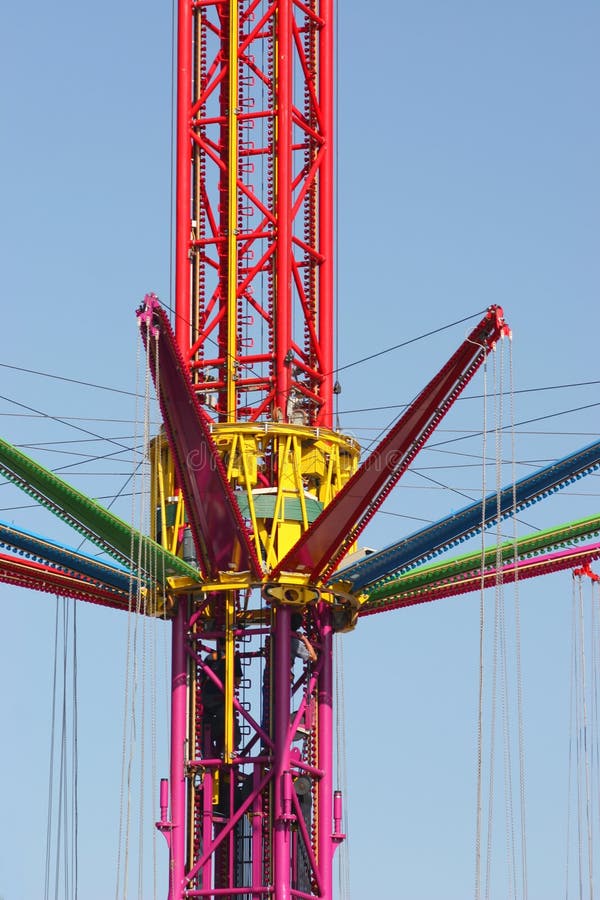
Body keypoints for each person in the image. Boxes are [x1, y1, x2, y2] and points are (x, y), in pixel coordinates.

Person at [201, 638, 242, 757]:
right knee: (231, 727)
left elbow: (202, 678)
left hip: (207, 698)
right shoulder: (234, 658)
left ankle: (207, 753)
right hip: (223, 699)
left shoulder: (209, 658)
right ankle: (228, 750)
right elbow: (238, 681)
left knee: (205, 727)